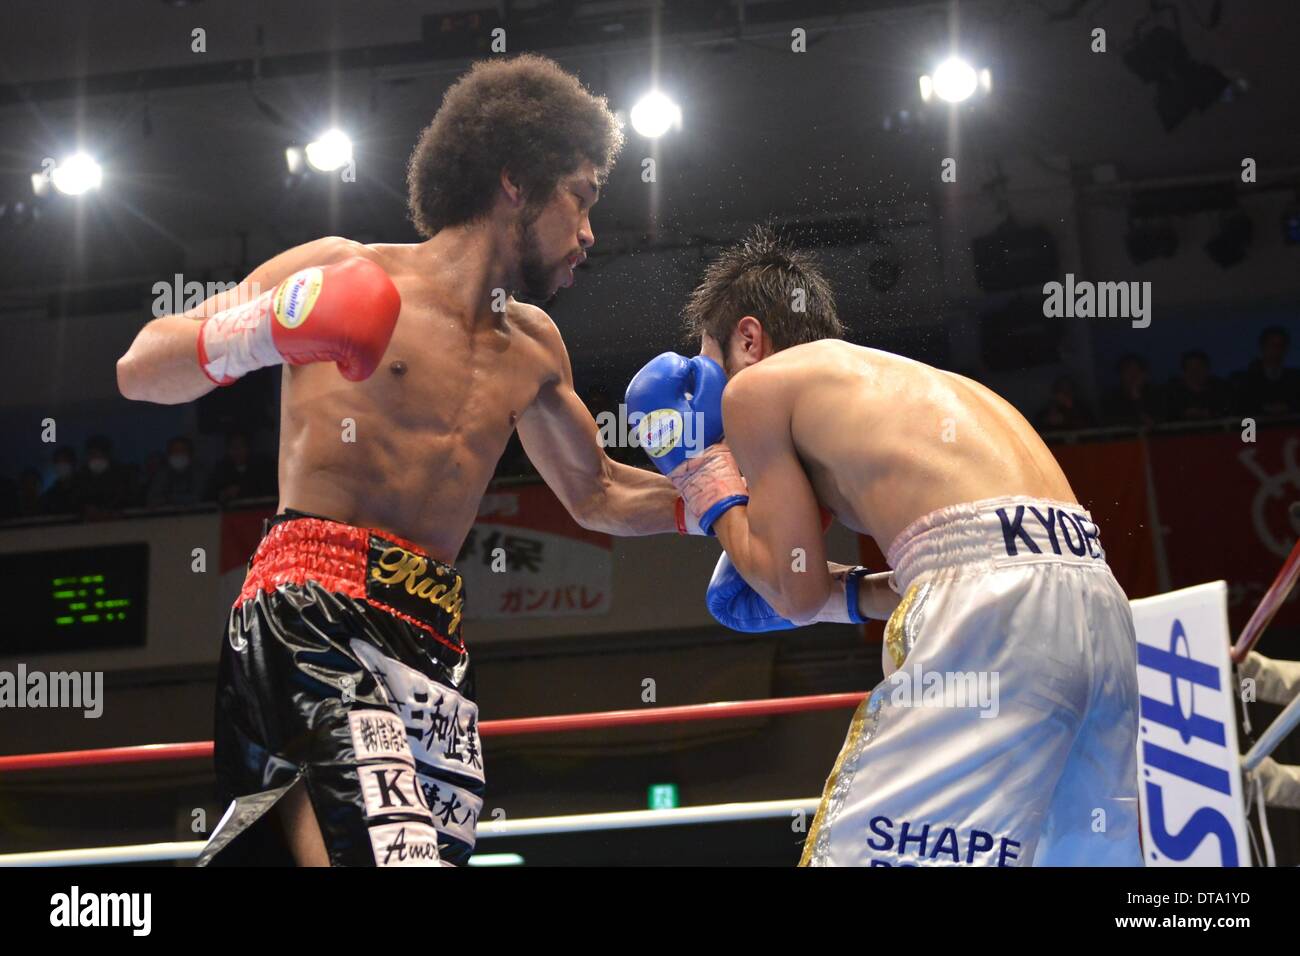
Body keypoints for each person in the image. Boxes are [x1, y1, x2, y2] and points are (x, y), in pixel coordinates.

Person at [117, 55, 689, 867]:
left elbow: (597, 492)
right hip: (314, 608)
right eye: (583, 196)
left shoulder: (534, 349)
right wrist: (271, 326)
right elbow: (141, 367)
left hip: (433, 640)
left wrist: (712, 497)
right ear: (516, 181)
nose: (591, 232)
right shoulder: (345, 270)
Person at [626, 226, 1142, 866]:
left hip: (991, 606)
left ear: (749, 338)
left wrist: (699, 473)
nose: (716, 389)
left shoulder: (756, 387)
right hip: (1097, 602)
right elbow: (961, 558)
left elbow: (794, 589)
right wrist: (851, 595)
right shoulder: (927, 385)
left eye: (712, 360)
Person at [1232, 326, 1300, 418]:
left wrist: (1287, 407)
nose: (1277, 350)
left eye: (1281, 345)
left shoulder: (1295, 378)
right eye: (1272, 345)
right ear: (1262, 347)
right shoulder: (1246, 380)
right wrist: (1264, 408)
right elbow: (1241, 407)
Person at [206, 430, 276, 504]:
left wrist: (243, 490)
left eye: (240, 446)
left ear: (248, 448)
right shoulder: (220, 471)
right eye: (233, 447)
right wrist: (224, 494)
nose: (237, 451)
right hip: (230, 513)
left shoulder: (261, 468)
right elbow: (208, 497)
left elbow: (268, 492)